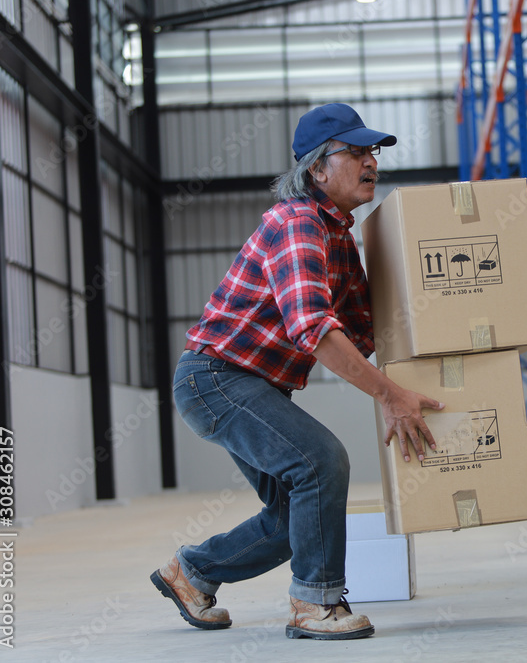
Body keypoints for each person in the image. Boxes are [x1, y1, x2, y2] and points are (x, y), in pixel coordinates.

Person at [151, 103, 444, 641]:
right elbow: (314, 329)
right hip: (216, 379)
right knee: (320, 462)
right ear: (317, 169)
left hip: (250, 385)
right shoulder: (296, 224)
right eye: (354, 152)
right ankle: (317, 604)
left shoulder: (338, 240)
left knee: (295, 519)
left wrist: (451, 346)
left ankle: (192, 572)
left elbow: (364, 332)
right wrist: (390, 395)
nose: (370, 161)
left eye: (371, 151)